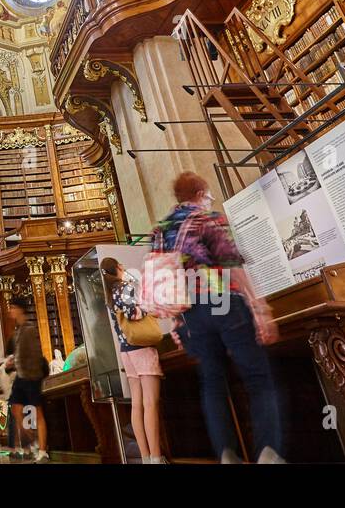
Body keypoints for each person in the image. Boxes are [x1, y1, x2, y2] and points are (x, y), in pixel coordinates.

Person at [156, 171, 284, 463]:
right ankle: (268, 453)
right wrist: (260, 306)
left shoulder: (162, 229)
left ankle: (227, 454)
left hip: (192, 313)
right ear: (200, 193)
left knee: (212, 383)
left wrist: (175, 322)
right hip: (223, 300)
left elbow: (162, 278)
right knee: (257, 377)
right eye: (210, 194)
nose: (211, 198)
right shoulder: (207, 219)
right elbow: (231, 262)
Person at [100, 257, 165, 464]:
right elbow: (132, 313)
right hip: (141, 348)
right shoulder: (124, 288)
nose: (124, 266)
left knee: (137, 404)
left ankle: (146, 457)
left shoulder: (109, 294)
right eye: (121, 264)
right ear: (118, 268)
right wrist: (149, 308)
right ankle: (156, 457)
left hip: (126, 350)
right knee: (150, 404)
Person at [5, 296, 49, 462]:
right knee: (16, 409)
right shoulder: (18, 330)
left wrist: (19, 364)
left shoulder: (29, 329)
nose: (10, 311)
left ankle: (43, 451)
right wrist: (13, 362)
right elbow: (21, 354)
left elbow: (34, 355)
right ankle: (30, 439)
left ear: (20, 309)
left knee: (38, 413)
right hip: (21, 377)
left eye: (12, 307)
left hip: (31, 376)